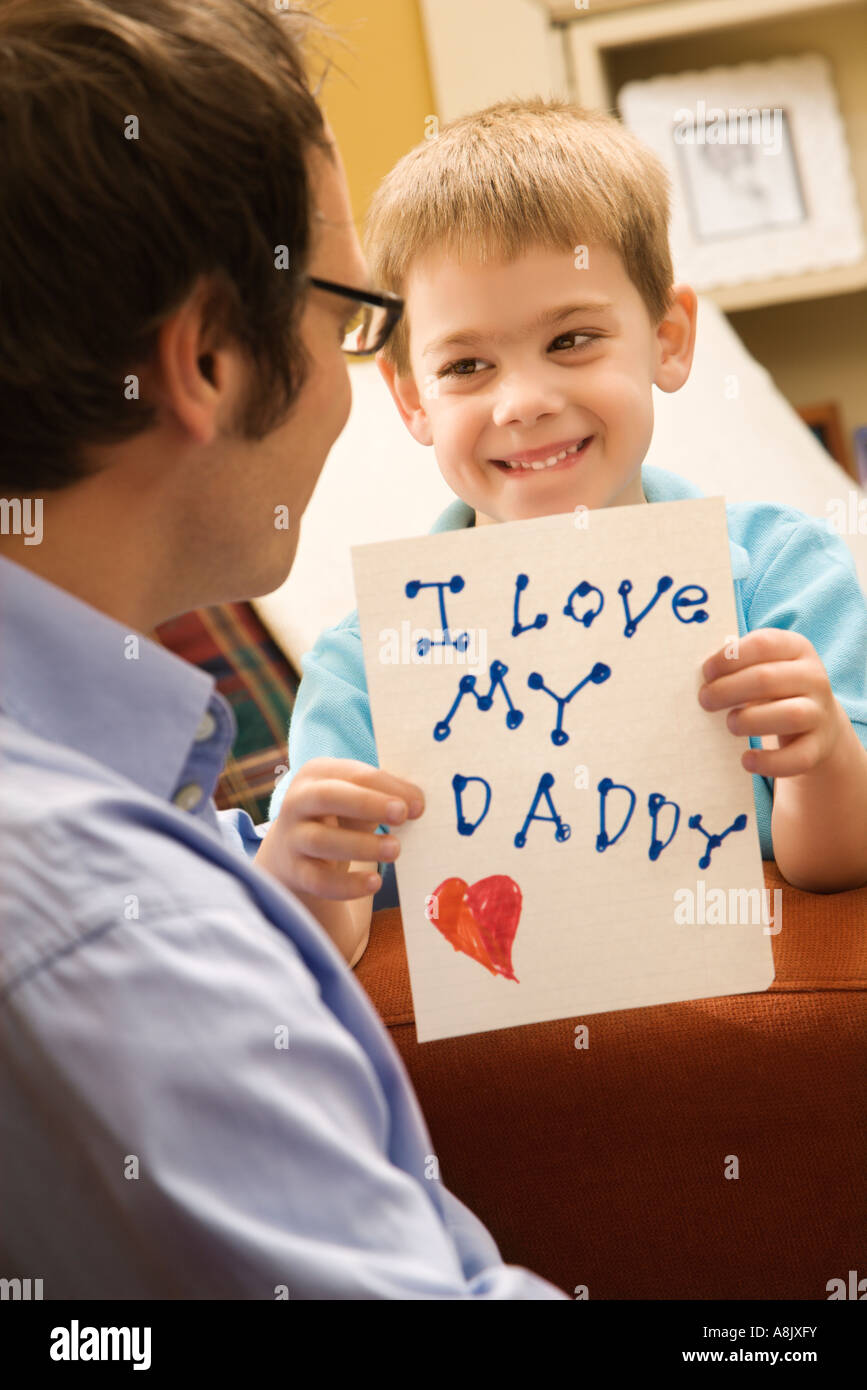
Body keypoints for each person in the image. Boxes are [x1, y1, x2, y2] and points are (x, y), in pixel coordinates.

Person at [0, 0, 566, 1299]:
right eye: (350, 312)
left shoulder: (122, 793)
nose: (348, 379)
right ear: (203, 356)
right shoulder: (97, 925)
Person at [269, 98, 867, 970]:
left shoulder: (783, 576)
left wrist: (819, 761)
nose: (524, 402)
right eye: (466, 366)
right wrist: (299, 872)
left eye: (572, 339)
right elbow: (338, 942)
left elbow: (839, 867)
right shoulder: (365, 661)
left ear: (666, 340)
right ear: (410, 400)